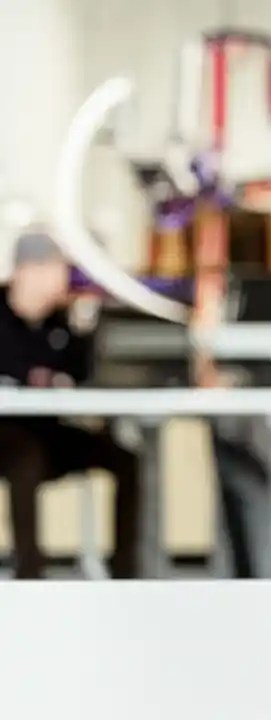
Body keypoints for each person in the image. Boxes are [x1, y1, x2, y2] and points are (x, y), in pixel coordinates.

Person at [0, 230, 140, 580]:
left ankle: (126, 569)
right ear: (27, 271)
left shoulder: (60, 321)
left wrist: (84, 326)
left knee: (124, 459)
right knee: (25, 458)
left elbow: (80, 373)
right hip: (7, 434)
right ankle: (30, 572)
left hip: (50, 430)